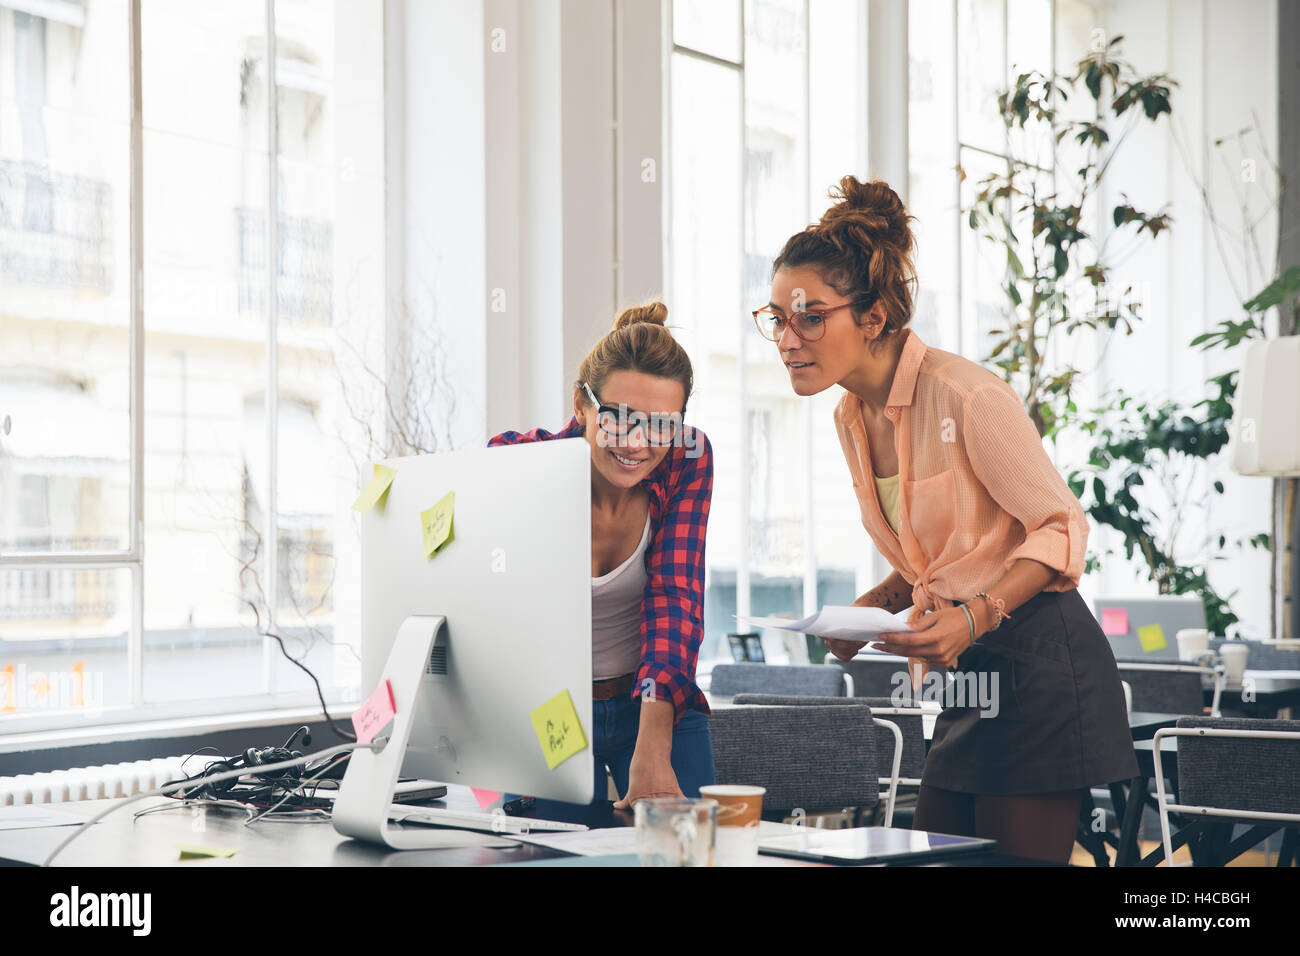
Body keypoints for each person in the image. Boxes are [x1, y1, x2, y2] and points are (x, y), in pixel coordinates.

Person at [755, 175, 1138, 863]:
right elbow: (940, 558)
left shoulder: (967, 396)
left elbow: (1060, 527)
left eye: (810, 317)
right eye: (778, 318)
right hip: (970, 675)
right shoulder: (851, 415)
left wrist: (975, 614)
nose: (788, 338)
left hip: (1044, 663)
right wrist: (867, 612)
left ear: (872, 318)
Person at [488, 301, 715, 817]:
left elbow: (676, 600)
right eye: (618, 417)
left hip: (652, 700)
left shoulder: (688, 459)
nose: (638, 443)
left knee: (687, 851)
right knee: (552, 853)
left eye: (662, 425)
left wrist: (653, 748)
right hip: (554, 707)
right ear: (582, 405)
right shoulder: (520, 466)